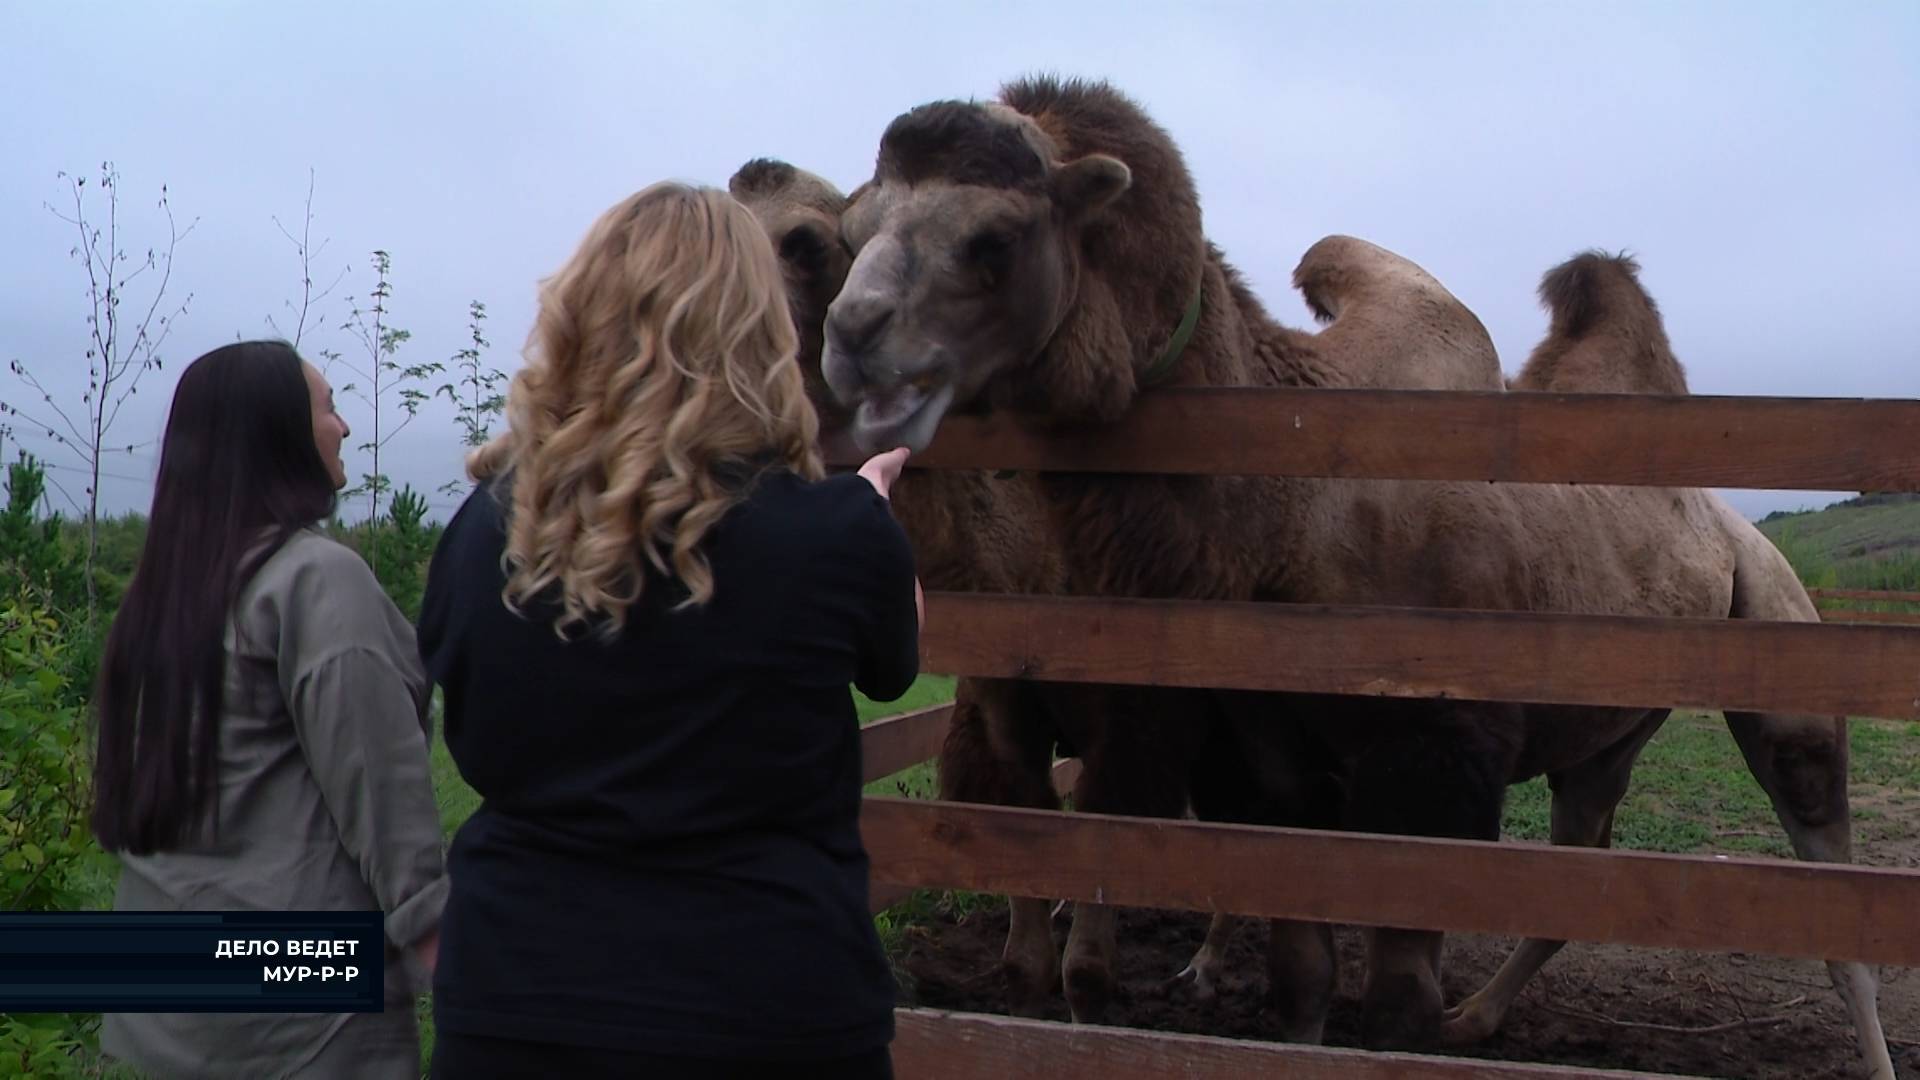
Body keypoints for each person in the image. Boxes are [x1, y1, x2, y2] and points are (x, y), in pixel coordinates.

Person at [417, 182, 923, 1079]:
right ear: (761, 333)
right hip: (765, 1009)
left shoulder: (483, 532)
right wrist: (875, 516)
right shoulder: (838, 532)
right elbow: (893, 664)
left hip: (517, 1002)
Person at [91, 340, 448, 1079]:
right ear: (277, 432)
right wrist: (441, 947)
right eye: (328, 407)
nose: (344, 426)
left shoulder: (162, 594)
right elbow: (380, 787)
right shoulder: (315, 578)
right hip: (301, 1014)